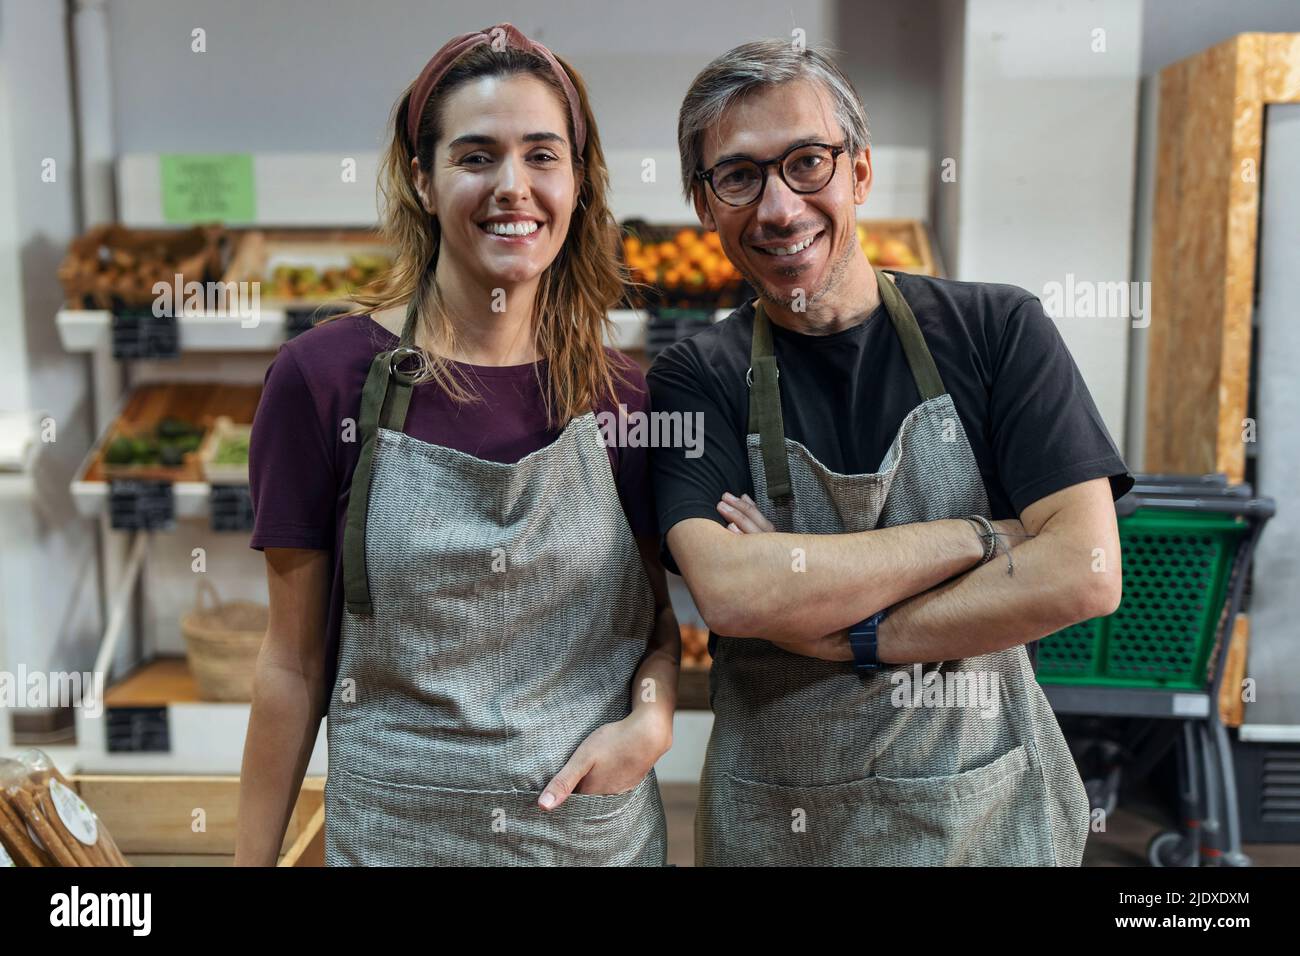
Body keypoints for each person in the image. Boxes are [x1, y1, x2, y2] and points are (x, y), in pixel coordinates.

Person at [649, 39, 1135, 866]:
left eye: (807, 163)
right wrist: (983, 538)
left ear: (860, 173)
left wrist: (849, 635)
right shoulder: (696, 375)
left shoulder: (997, 332)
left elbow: (1085, 571)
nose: (777, 207)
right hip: (782, 820)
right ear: (705, 204)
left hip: (984, 809)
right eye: (738, 177)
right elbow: (731, 594)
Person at [235, 23, 677, 866]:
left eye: (543, 156)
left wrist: (652, 719)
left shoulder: (622, 396)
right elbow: (292, 665)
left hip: (587, 840)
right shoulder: (322, 381)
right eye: (476, 157)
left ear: (578, 184)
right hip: (396, 839)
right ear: (422, 180)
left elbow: (652, 619)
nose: (514, 186)